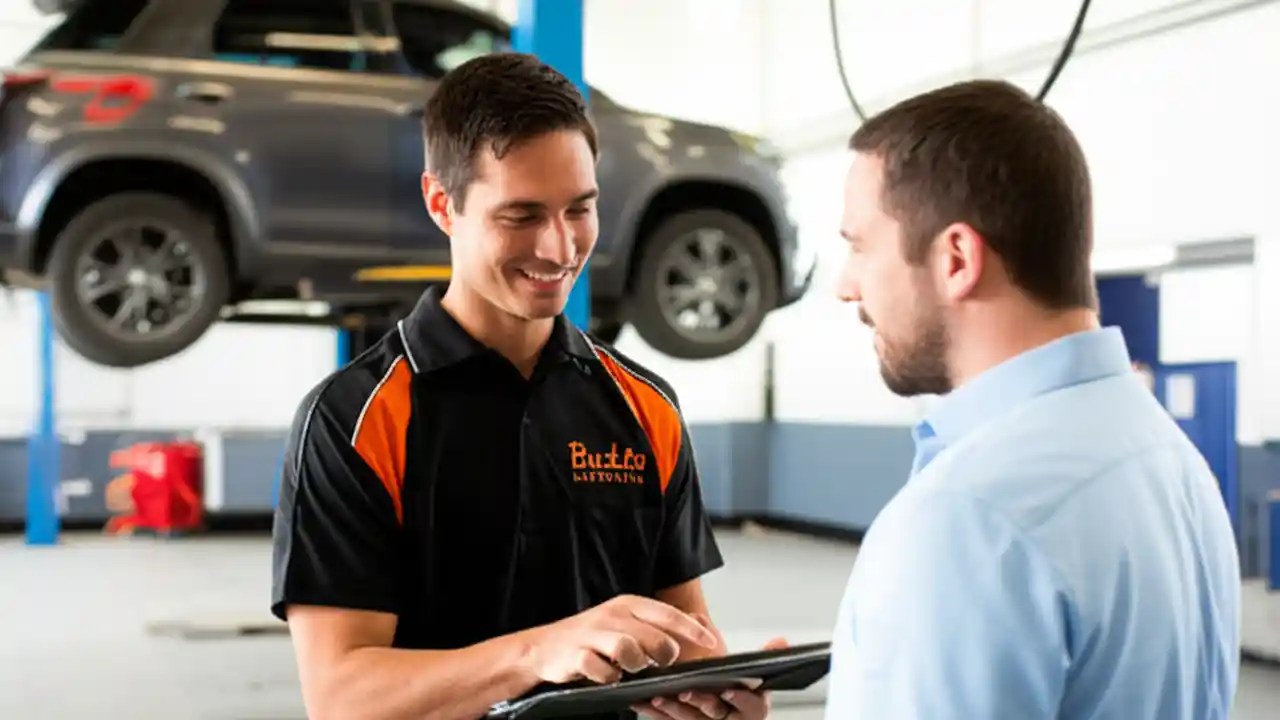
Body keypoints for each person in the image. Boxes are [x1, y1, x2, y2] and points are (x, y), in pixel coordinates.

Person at [271, 53, 780, 720]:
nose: (560, 247)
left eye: (581, 208)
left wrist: (717, 693)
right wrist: (538, 654)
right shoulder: (354, 421)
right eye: (522, 216)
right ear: (440, 204)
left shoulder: (645, 408)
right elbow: (343, 700)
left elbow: (681, 644)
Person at [825, 79, 1241, 718]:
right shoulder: (1170, 460)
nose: (845, 286)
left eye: (859, 246)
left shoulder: (969, 517)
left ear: (956, 258)